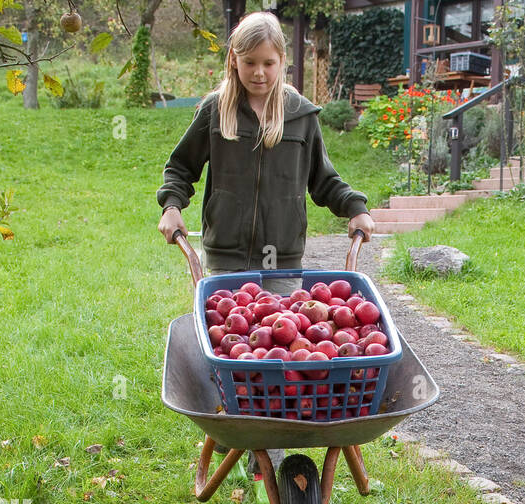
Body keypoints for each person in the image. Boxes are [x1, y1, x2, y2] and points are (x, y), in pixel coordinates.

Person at [157, 10, 375, 475]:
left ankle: (269, 445)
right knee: (234, 352)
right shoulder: (215, 112)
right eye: (250, 62)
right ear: (234, 60)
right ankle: (241, 431)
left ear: (283, 64)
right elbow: (181, 168)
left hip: (283, 262)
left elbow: (325, 180)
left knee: (278, 363)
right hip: (225, 256)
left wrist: (354, 206)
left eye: (269, 63)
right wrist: (172, 205)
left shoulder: (299, 116)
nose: (259, 73)